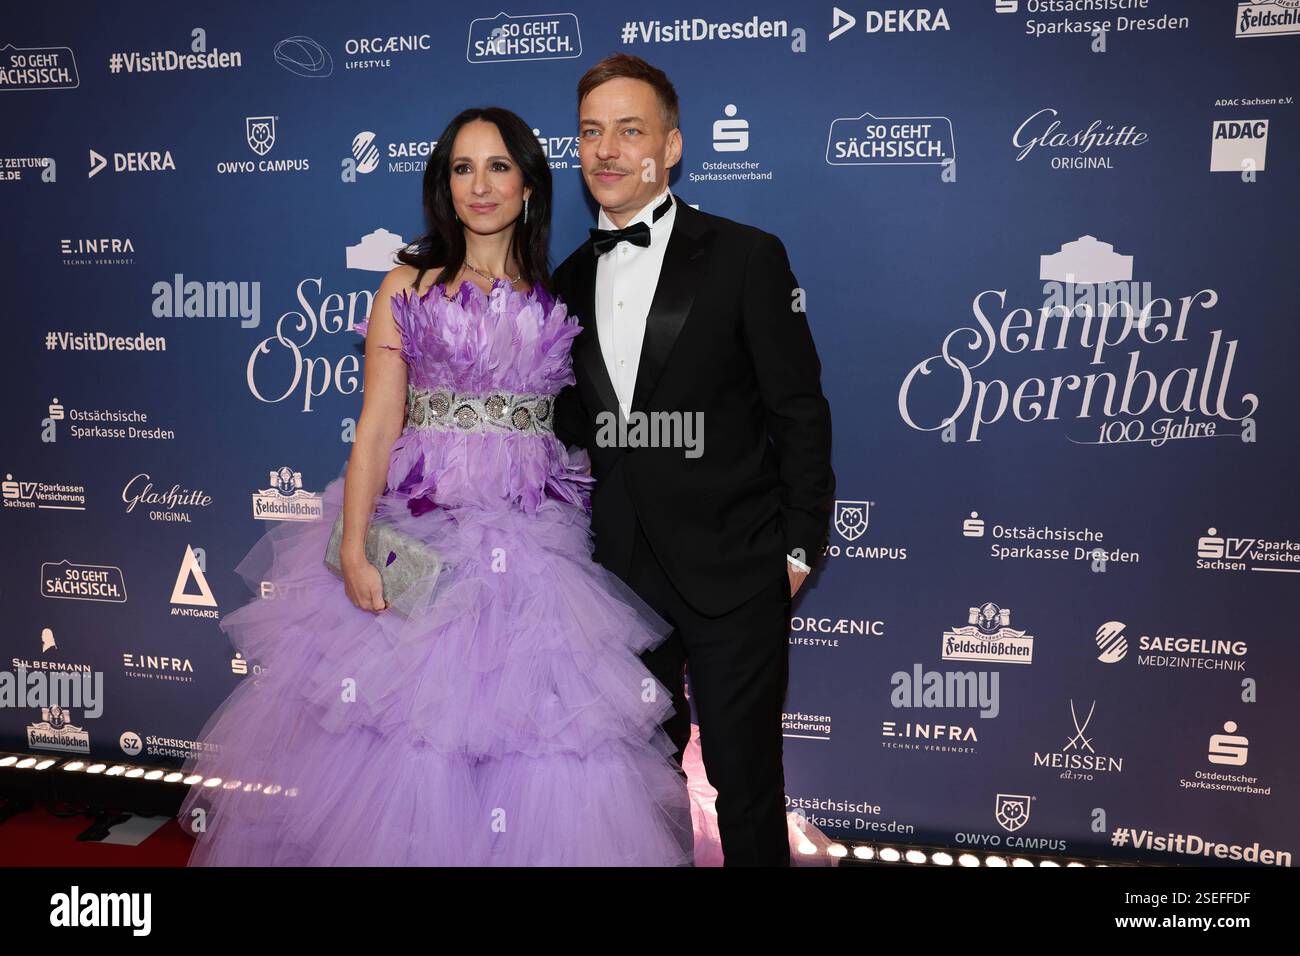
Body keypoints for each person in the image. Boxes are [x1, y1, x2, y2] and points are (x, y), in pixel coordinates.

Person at [176, 106, 696, 866]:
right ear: (443, 187)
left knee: (543, 740)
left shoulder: (563, 291)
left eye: (497, 167)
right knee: (415, 736)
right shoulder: (406, 286)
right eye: (462, 168)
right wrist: (353, 546)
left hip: (536, 545)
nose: (479, 185)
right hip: (423, 540)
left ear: (528, 184)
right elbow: (378, 425)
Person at [552, 54, 836, 866]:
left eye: (629, 130)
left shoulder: (747, 256)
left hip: (736, 567)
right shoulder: (564, 282)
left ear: (670, 147)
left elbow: (800, 413)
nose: (606, 149)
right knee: (638, 791)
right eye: (590, 131)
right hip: (614, 582)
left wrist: (795, 548)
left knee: (747, 786)